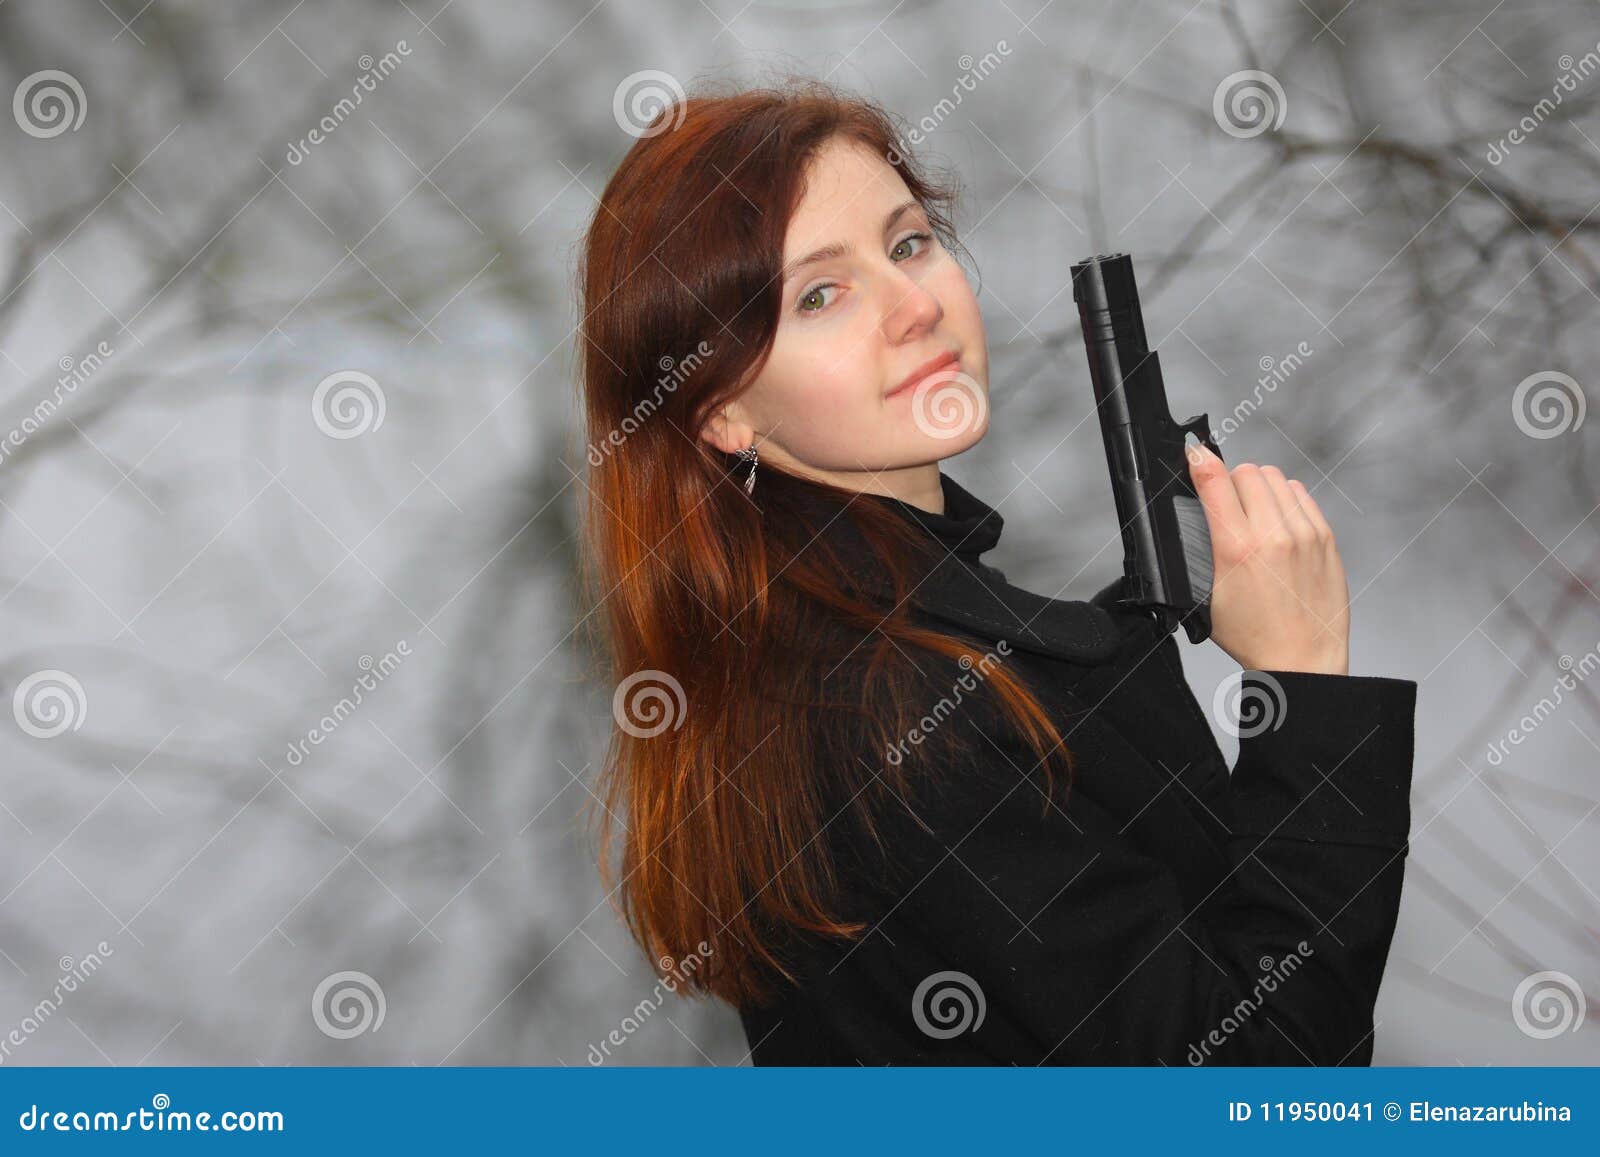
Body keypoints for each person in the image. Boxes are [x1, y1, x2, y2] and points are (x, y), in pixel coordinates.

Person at [575, 77, 1416, 1065]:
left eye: (908, 242)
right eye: (819, 293)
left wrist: (1148, 616)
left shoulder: (855, 661)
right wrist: (1305, 679)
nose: (910, 306)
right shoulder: (897, 717)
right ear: (721, 408)